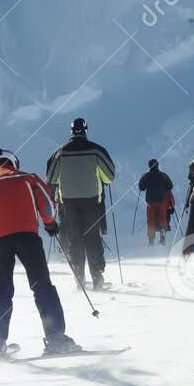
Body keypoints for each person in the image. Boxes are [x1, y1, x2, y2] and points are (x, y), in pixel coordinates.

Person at [0, 149, 79, 358]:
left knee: (2, 290)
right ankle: (55, 338)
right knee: (41, 285)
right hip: (28, 237)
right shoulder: (27, 178)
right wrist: (50, 225)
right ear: (13, 163)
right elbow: (48, 206)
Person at [46, 118, 117, 289]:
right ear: (86, 130)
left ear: (71, 131)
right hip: (92, 200)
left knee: (74, 238)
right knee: (93, 237)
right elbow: (110, 175)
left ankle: (79, 276)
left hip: (68, 202)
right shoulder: (96, 150)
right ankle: (97, 277)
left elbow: (51, 177)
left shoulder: (60, 152)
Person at [138, 159, 176, 245]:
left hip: (150, 202)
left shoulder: (146, 176)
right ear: (157, 166)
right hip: (161, 200)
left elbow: (141, 188)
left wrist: (141, 181)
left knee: (151, 220)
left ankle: (151, 240)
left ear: (149, 166)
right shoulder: (163, 175)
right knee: (162, 218)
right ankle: (163, 235)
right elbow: (170, 186)